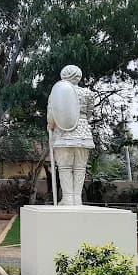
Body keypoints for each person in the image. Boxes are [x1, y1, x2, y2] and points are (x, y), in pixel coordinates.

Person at [47, 65, 95, 205]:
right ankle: (77, 198)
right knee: (80, 167)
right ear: (78, 77)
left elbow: (52, 115)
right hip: (84, 132)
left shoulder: (57, 93)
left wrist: (50, 125)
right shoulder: (88, 94)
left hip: (63, 133)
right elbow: (89, 114)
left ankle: (68, 198)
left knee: (64, 167)